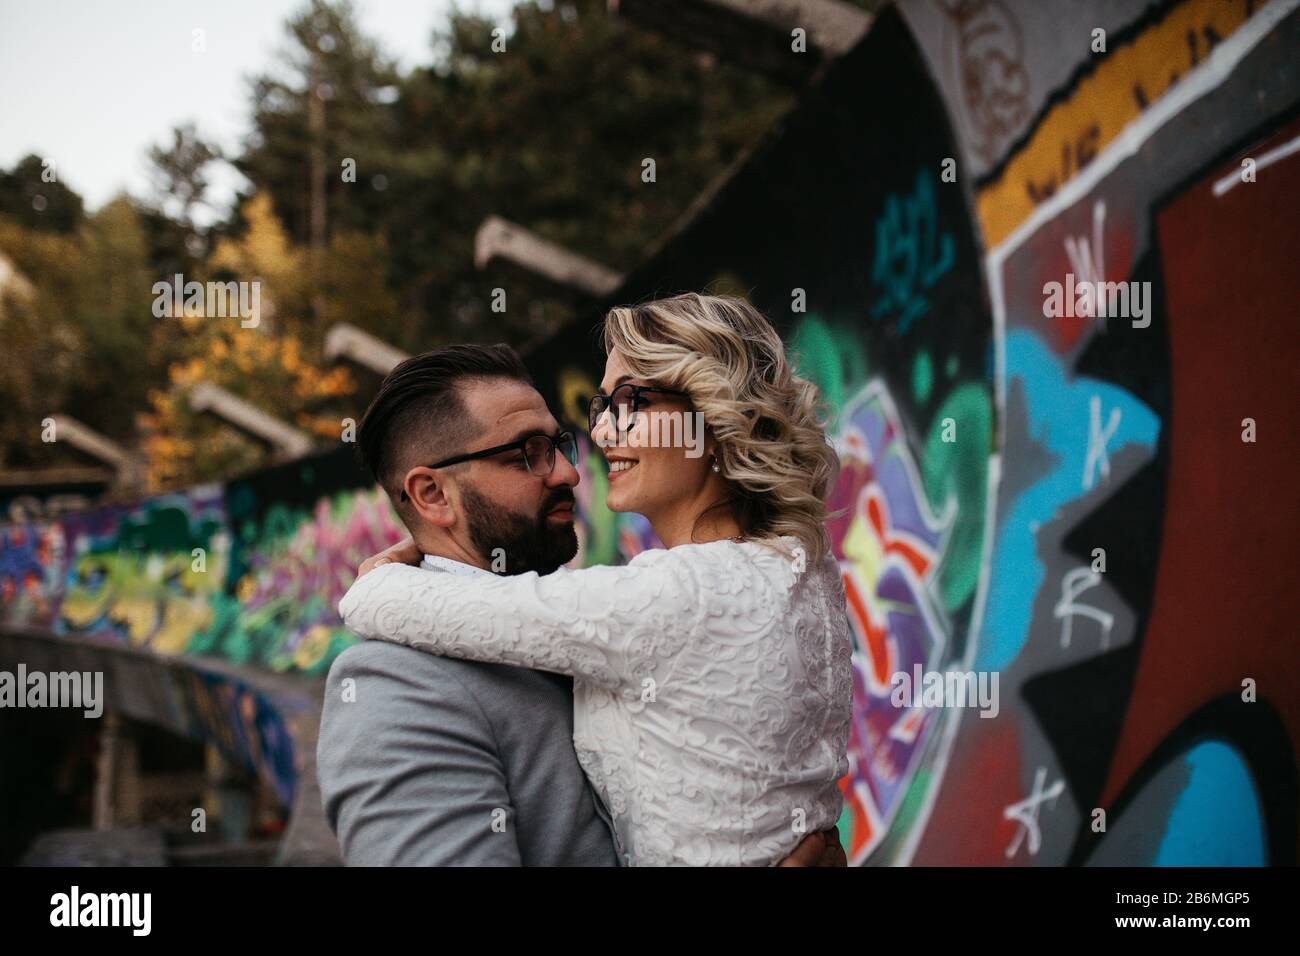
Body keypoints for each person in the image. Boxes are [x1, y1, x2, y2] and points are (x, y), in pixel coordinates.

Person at [339, 294, 853, 866]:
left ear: (714, 418)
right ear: (431, 494)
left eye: (631, 401)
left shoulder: (666, 599)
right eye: (526, 454)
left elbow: (380, 600)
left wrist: (378, 583)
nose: (582, 457)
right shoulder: (802, 569)